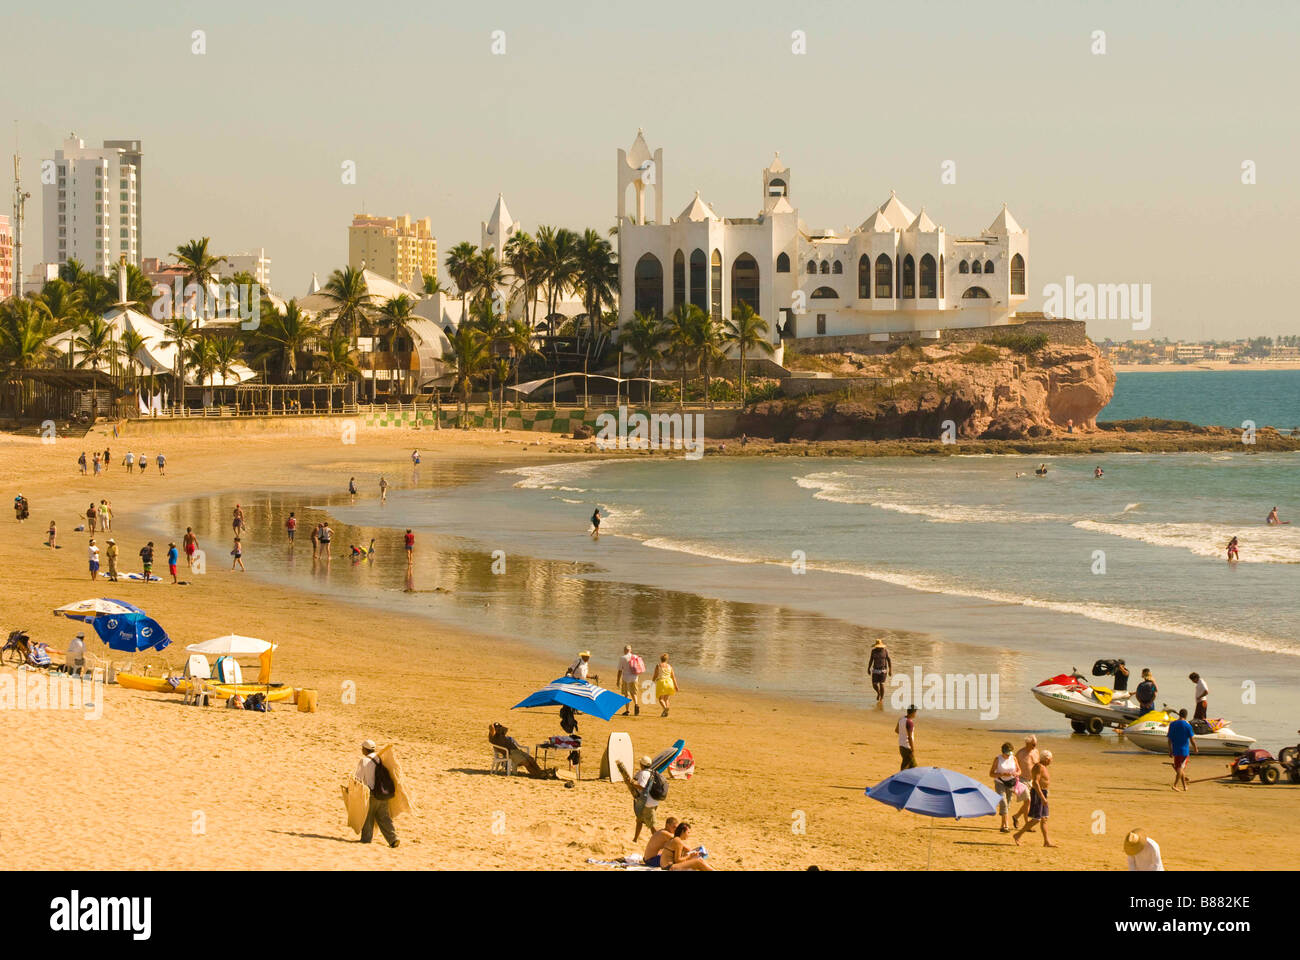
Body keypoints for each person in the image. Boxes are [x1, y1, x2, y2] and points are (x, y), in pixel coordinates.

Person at [353, 740, 399, 847]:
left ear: (365, 749)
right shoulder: (379, 758)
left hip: (371, 794)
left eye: (362, 748)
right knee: (384, 817)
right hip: (383, 793)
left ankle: (366, 840)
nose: (361, 750)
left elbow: (358, 778)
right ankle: (393, 839)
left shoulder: (363, 761)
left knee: (367, 817)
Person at [1012, 750, 1055, 847]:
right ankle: (1018, 835)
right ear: (1047, 759)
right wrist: (1042, 797)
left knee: (1044, 818)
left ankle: (1046, 842)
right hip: (1038, 793)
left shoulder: (1043, 767)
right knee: (1036, 819)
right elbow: (1035, 782)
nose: (1051, 761)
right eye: (1051, 759)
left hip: (1043, 792)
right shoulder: (1038, 767)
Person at [488, 722, 556, 779]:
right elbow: (491, 727)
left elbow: (506, 729)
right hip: (510, 753)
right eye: (497, 728)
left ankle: (540, 772)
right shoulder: (492, 737)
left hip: (516, 751)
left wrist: (500, 727)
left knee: (531, 759)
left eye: (499, 727)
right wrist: (494, 727)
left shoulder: (501, 734)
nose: (498, 728)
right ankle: (537, 775)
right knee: (526, 763)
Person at [989, 742, 1022, 833]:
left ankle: (1002, 825)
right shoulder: (998, 759)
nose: (1008, 755)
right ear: (1003, 752)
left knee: (1007, 803)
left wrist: (1016, 774)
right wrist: (1002, 774)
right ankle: (1006, 825)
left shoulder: (1014, 758)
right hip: (1000, 782)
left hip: (1011, 783)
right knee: (1003, 801)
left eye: (1010, 753)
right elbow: (991, 773)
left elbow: (1019, 771)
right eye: (1007, 753)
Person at [631, 756, 661, 842]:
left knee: (652, 825)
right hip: (653, 801)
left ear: (642, 765)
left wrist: (632, 784)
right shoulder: (653, 772)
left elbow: (641, 786)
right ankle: (635, 839)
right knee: (639, 820)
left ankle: (659, 842)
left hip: (647, 803)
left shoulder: (644, 773)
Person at [1167, 708, 1197, 791]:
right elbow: (1192, 739)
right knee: (1180, 768)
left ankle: (1184, 786)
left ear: (1179, 714)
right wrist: (1195, 748)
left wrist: (1170, 750)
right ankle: (1175, 785)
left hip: (1176, 750)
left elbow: (1169, 739)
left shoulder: (1172, 724)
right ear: (1186, 716)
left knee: (1180, 768)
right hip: (1184, 751)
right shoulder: (1187, 725)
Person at [1012, 735, 1039, 829]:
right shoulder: (1020, 753)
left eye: (1035, 744)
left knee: (1028, 803)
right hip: (1021, 780)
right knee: (1028, 801)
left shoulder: (1036, 752)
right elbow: (1013, 766)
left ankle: (1016, 816)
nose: (1035, 746)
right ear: (1027, 744)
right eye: (1033, 744)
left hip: (1032, 780)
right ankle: (1027, 825)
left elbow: (1038, 766)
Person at [618, 645, 644, 717]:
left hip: (626, 678)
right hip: (635, 678)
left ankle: (627, 710)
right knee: (634, 693)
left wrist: (618, 680)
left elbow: (620, 670)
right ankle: (636, 705)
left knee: (626, 694)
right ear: (630, 650)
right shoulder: (635, 657)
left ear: (624, 650)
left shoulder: (622, 658)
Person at [653, 653, 677, 717]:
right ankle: (666, 712)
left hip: (661, 682)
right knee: (666, 699)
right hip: (669, 682)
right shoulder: (670, 666)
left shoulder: (658, 665)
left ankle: (665, 709)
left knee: (661, 699)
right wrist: (676, 686)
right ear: (667, 659)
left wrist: (652, 681)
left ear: (661, 659)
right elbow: (673, 677)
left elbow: (655, 675)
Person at [868, 638, 892, 704]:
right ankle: (878, 693)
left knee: (882, 684)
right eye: (877, 647)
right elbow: (871, 660)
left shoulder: (885, 651)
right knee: (874, 684)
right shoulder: (873, 651)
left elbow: (889, 660)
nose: (878, 648)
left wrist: (890, 670)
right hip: (875, 669)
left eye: (879, 647)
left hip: (883, 670)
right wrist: (868, 668)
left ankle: (882, 697)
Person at [897, 704, 918, 769]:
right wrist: (912, 749)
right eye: (915, 712)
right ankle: (899, 778)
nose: (915, 714)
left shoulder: (901, 719)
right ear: (913, 713)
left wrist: (903, 734)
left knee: (907, 765)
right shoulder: (909, 722)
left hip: (901, 746)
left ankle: (901, 778)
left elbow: (896, 730)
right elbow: (909, 737)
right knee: (913, 767)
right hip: (907, 747)